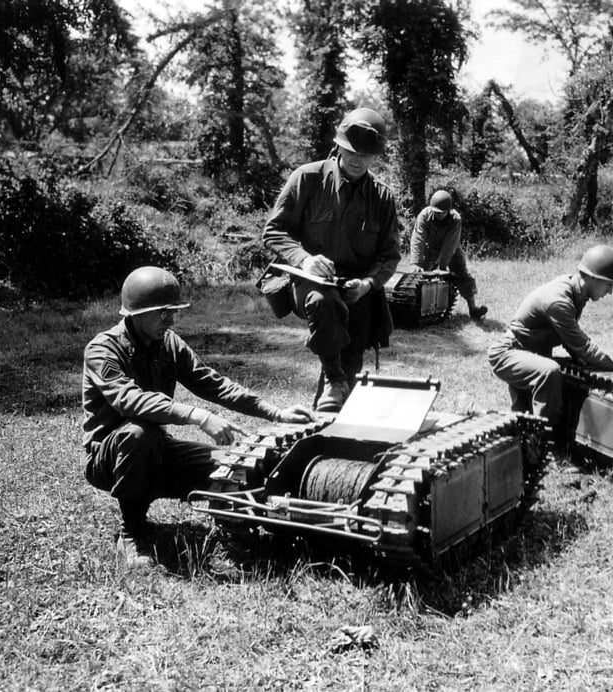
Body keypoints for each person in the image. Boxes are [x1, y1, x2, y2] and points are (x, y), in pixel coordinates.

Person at [82, 266, 313, 569]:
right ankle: (132, 531)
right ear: (136, 312)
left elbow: (213, 383)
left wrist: (275, 412)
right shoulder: (103, 349)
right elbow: (130, 401)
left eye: (173, 311)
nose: (171, 319)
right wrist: (198, 416)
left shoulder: (169, 343)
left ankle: (235, 528)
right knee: (139, 434)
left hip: (156, 449)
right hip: (110, 458)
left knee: (232, 463)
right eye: (163, 312)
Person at [262, 106, 401, 412]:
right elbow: (273, 232)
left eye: (365, 155)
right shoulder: (308, 179)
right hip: (308, 282)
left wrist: (367, 283)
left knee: (348, 367)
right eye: (351, 151)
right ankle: (334, 378)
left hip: (356, 290)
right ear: (338, 144)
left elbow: (389, 255)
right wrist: (304, 260)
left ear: (375, 156)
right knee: (325, 303)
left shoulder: (383, 197)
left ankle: (331, 406)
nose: (357, 159)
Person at [488, 245, 613, 432]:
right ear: (593, 277)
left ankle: (529, 431)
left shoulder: (577, 292)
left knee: (519, 420)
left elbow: (572, 342)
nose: (610, 291)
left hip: (529, 353)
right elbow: (583, 347)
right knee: (549, 371)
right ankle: (542, 439)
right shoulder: (559, 301)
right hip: (509, 352)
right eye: (609, 284)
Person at [410, 189, 488, 320]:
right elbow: (418, 238)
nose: (438, 215)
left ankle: (473, 308)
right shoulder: (424, 216)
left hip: (452, 250)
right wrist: (416, 262)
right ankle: (418, 309)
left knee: (463, 275)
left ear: (449, 210)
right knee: (419, 278)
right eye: (435, 212)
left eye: (441, 213)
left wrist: (441, 265)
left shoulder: (455, 219)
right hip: (429, 250)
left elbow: (450, 244)